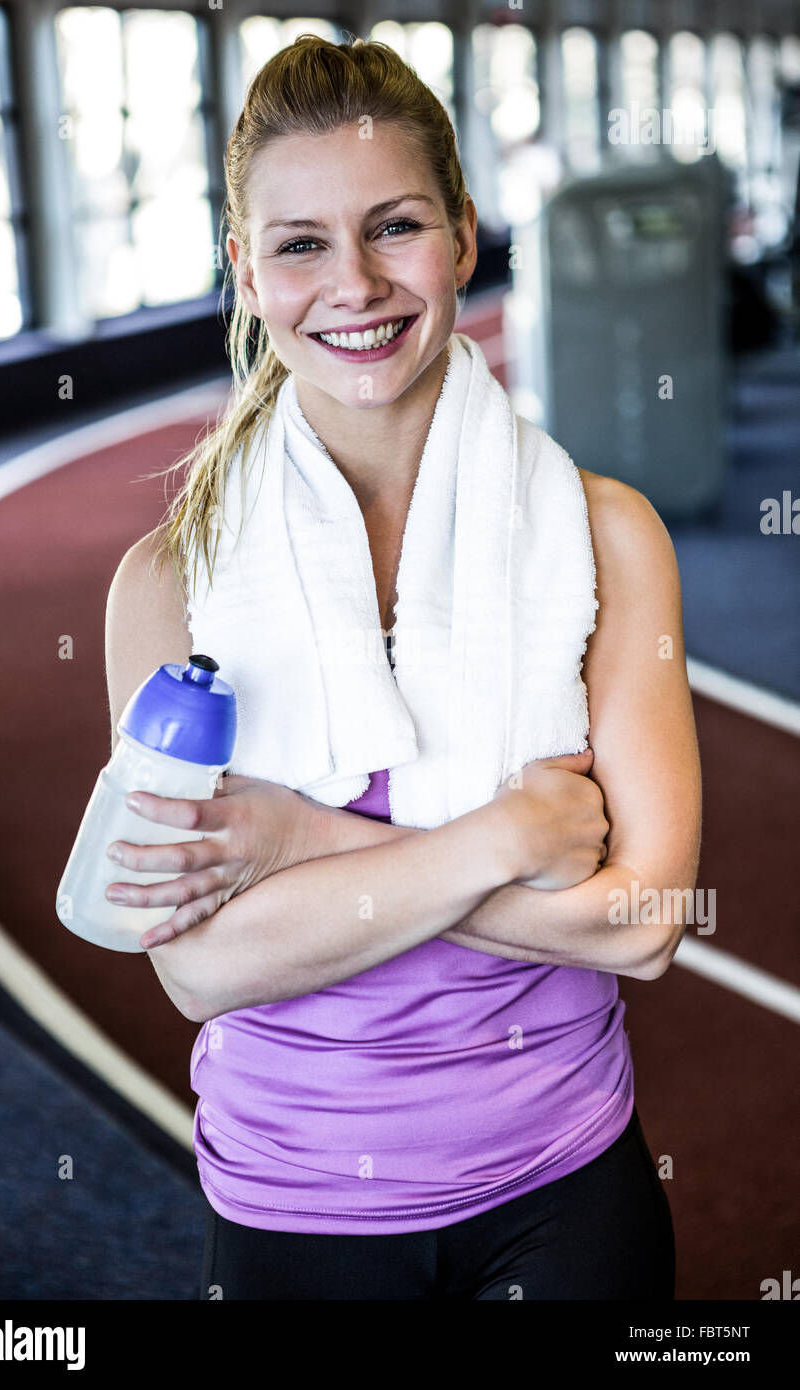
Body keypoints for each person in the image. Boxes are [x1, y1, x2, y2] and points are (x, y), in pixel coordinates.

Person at [103, 36, 701, 1300]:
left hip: (562, 1186)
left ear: (463, 238)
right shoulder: (168, 584)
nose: (356, 284)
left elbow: (643, 926)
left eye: (395, 227)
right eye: (301, 243)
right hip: (294, 1200)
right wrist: (507, 837)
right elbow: (197, 966)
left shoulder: (602, 534)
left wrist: (294, 842)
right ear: (245, 271)